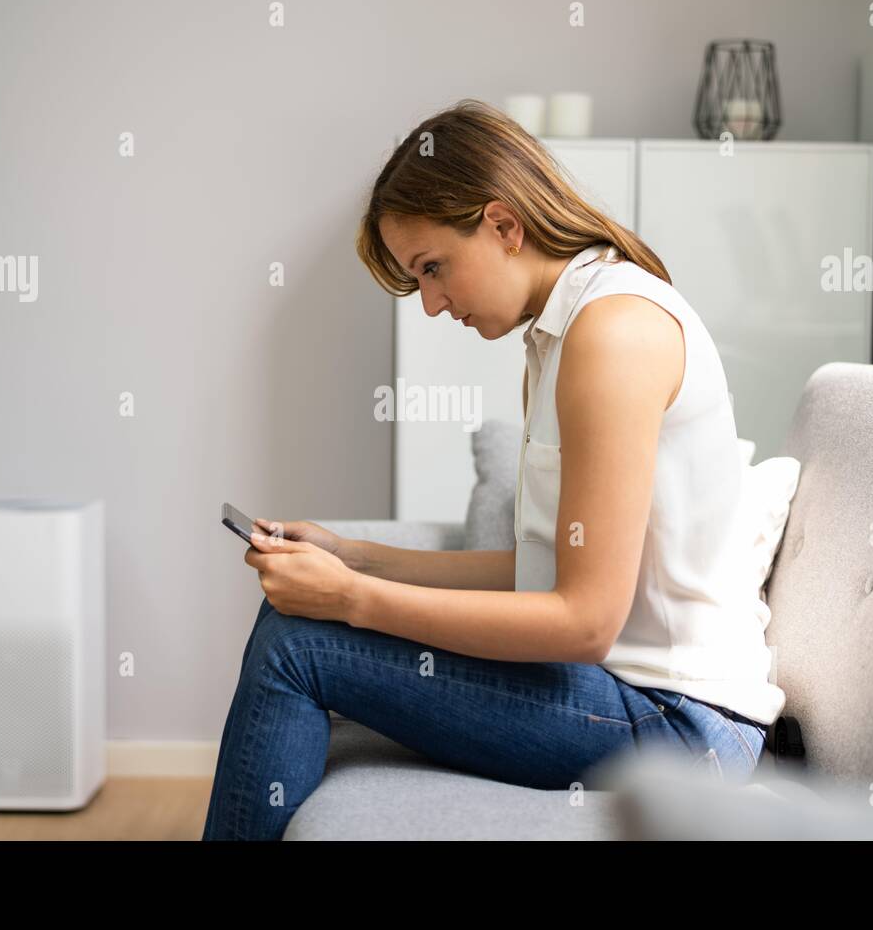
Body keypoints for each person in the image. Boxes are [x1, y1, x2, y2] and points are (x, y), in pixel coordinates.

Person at [202, 98, 785, 841]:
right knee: (291, 617)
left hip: (683, 728)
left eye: (434, 268)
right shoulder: (556, 336)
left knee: (299, 643)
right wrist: (350, 555)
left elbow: (583, 622)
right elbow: (539, 571)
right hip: (632, 697)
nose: (435, 304)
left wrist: (352, 597)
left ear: (504, 225)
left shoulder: (615, 331)